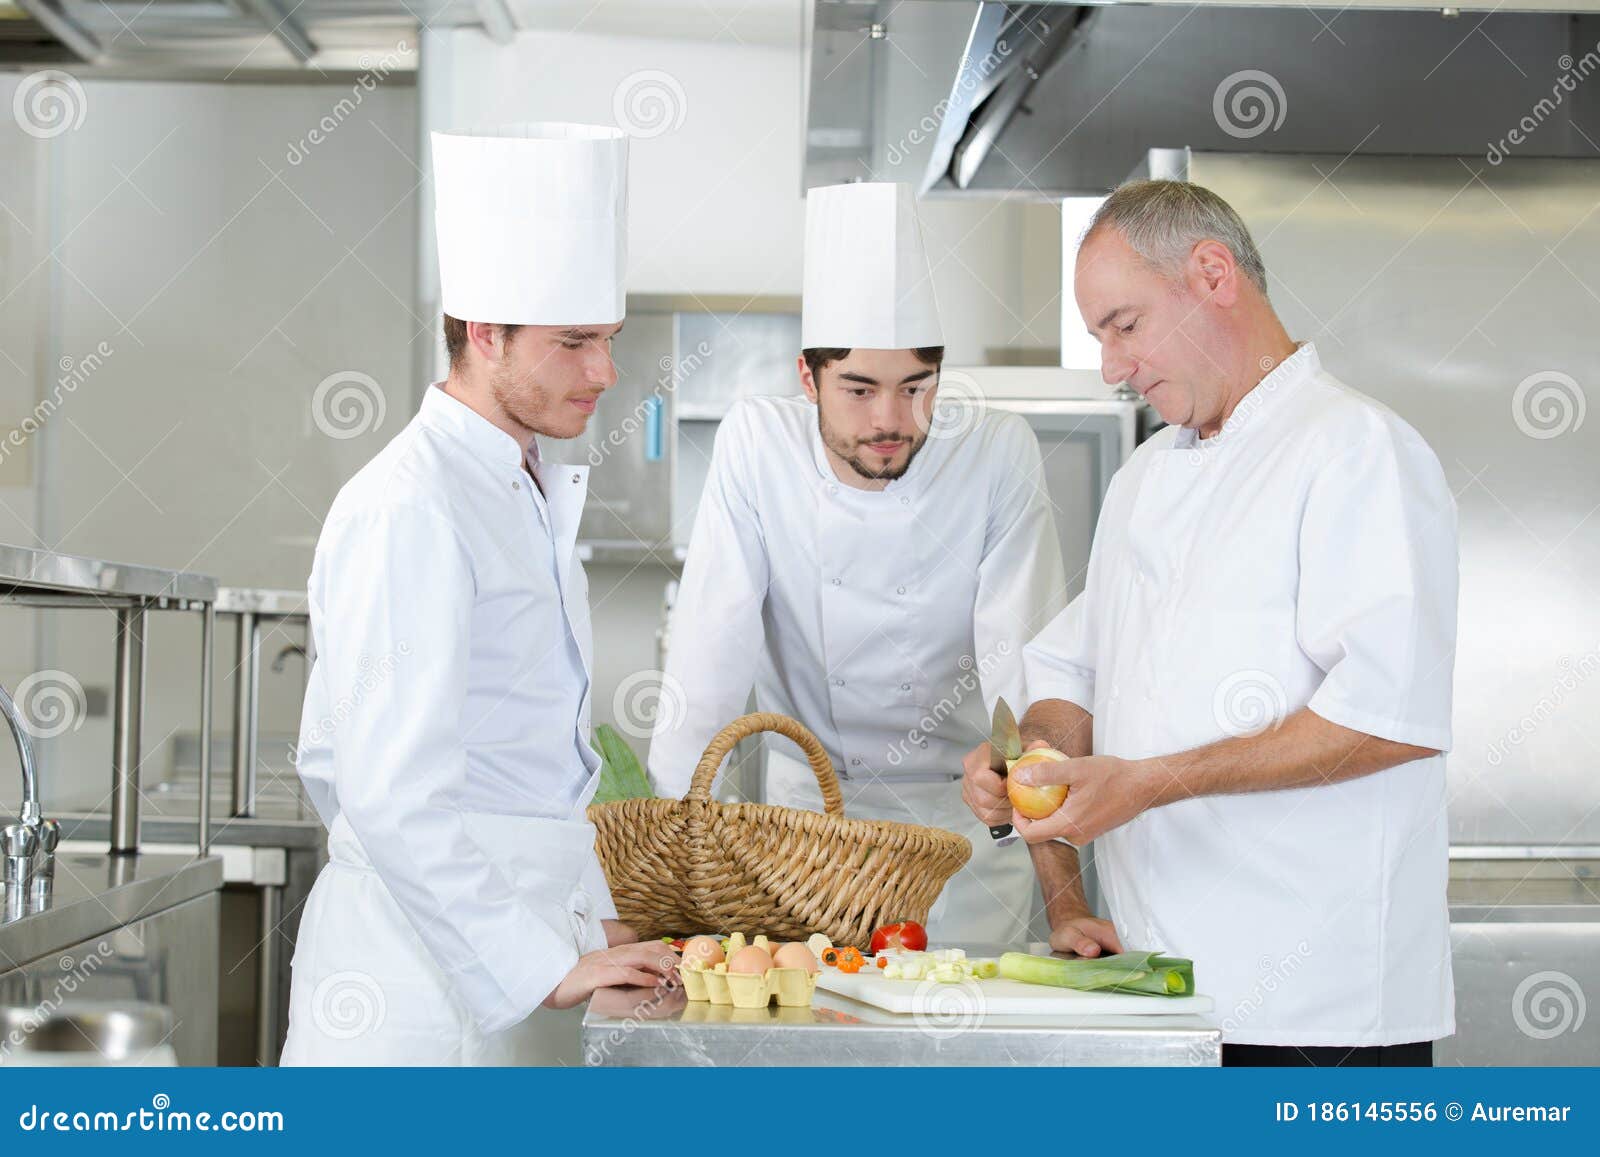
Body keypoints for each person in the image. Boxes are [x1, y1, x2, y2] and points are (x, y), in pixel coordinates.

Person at [962, 179, 1458, 1065]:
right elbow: (1070, 679)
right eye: (1101, 338)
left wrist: (1149, 781)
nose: (1114, 366)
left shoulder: (1354, 448)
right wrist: (1029, 762)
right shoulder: (1145, 478)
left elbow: (1387, 717)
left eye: (1125, 324)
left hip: (1318, 1015)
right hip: (1160, 995)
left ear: (1213, 273)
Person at [282, 122, 675, 1066]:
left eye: (609, 340)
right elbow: (385, 790)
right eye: (575, 342)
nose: (606, 374)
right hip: (418, 1006)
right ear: (487, 333)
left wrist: (584, 925)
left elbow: (527, 770)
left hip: (511, 965)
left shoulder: (522, 485)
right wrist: (539, 958)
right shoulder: (409, 505)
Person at [650, 182, 1066, 943]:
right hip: (805, 840)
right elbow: (705, 668)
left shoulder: (996, 453)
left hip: (961, 840)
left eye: (917, 387)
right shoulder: (757, 447)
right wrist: (662, 900)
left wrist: (1063, 890)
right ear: (807, 379)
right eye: (859, 389)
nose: (891, 421)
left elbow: (1028, 678)